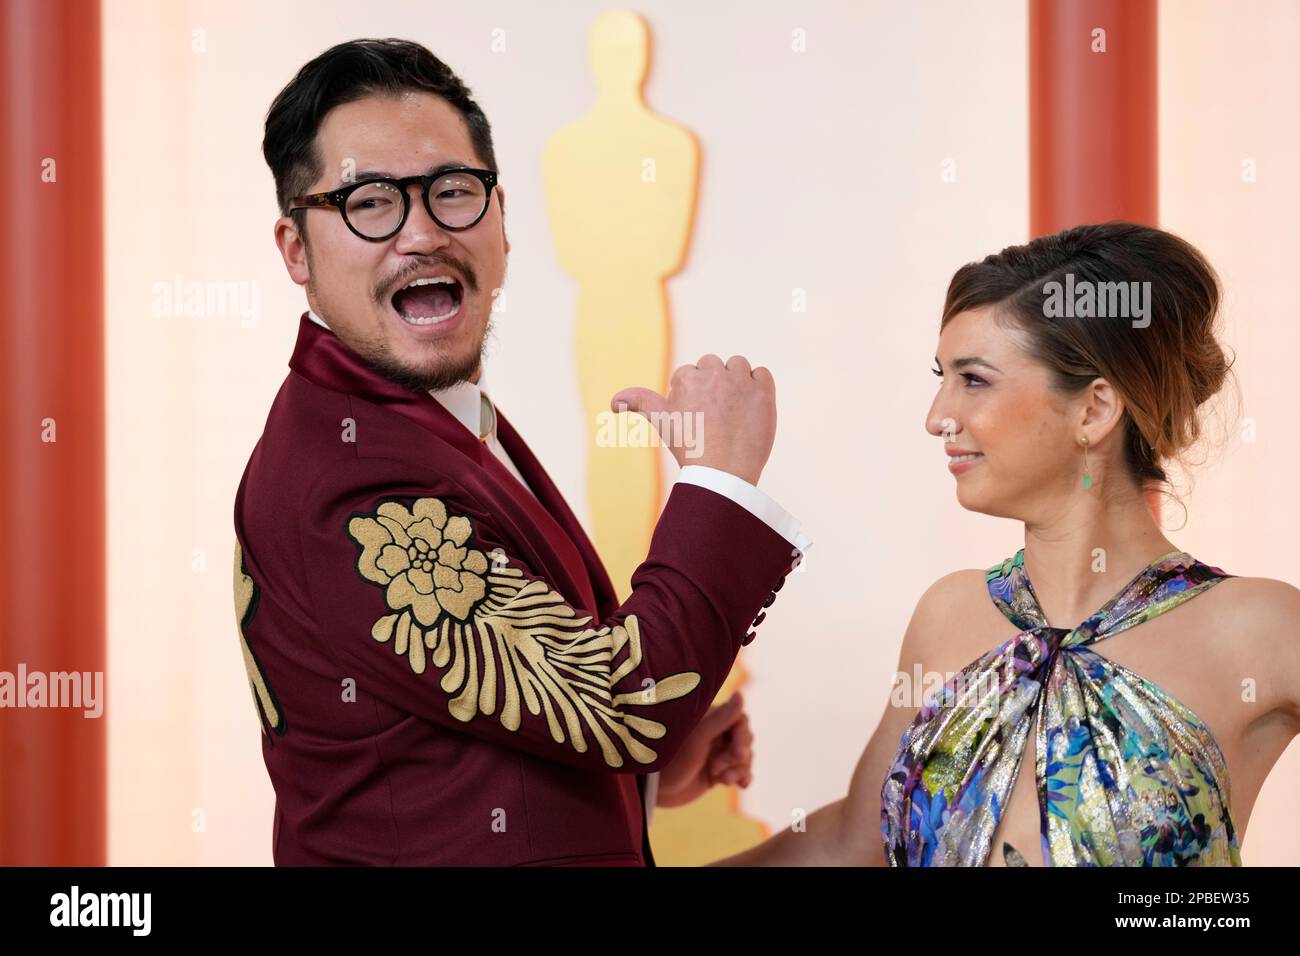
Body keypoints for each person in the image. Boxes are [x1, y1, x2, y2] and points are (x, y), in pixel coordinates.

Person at [234, 37, 809, 866]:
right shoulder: (349, 478)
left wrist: (638, 782)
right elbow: (615, 702)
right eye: (368, 202)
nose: (422, 232)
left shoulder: (427, 414)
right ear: (297, 250)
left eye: (453, 191)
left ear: (502, 221)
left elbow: (487, 710)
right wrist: (720, 480)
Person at [713, 222, 1300, 866]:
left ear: (1094, 410)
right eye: (942, 377)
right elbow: (852, 844)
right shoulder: (949, 613)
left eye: (973, 379)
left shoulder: (1259, 628)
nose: (937, 416)